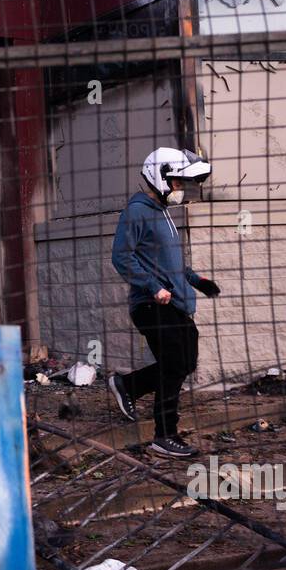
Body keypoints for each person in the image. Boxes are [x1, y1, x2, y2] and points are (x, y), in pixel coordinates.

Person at [108, 147, 221, 458]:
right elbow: (121, 256)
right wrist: (153, 286)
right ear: (160, 178)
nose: (180, 189)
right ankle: (164, 435)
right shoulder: (137, 211)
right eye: (177, 182)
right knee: (174, 362)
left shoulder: (161, 213)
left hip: (175, 303)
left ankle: (127, 387)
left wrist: (198, 282)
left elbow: (172, 264)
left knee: (185, 360)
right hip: (150, 304)